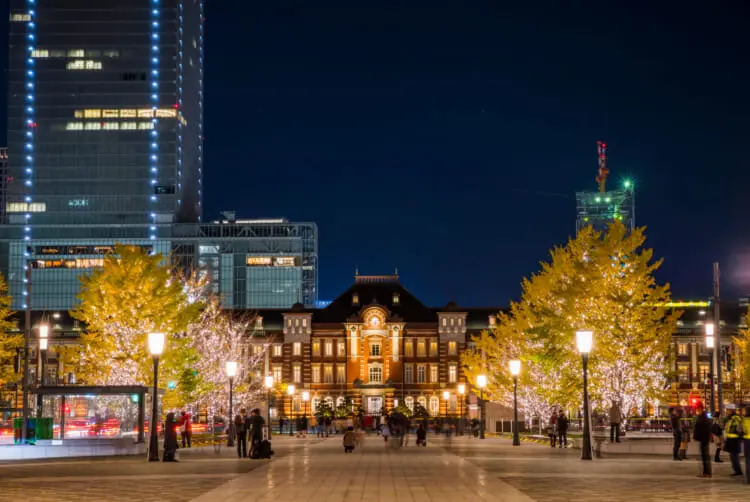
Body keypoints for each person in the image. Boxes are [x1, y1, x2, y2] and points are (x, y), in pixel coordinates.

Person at [723, 404, 743, 476]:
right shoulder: (730, 418)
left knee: (734, 456)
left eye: (727, 410)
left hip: (734, 439)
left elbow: (740, 428)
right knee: (732, 456)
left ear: (731, 410)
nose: (726, 411)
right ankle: (736, 470)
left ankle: (738, 471)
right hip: (730, 439)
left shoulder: (736, 418)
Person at [693, 404, 712, 478]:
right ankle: (706, 472)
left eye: (697, 409)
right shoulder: (702, 416)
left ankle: (707, 473)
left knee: (705, 456)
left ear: (700, 408)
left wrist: (699, 436)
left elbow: (704, 429)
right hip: (703, 439)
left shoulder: (704, 417)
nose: (696, 410)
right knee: (704, 456)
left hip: (704, 439)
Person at [742, 406, 750, 485]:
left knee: (748, 460)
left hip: (747, 441)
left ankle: (749, 479)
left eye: (744, 411)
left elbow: (740, 430)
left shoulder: (743, 420)